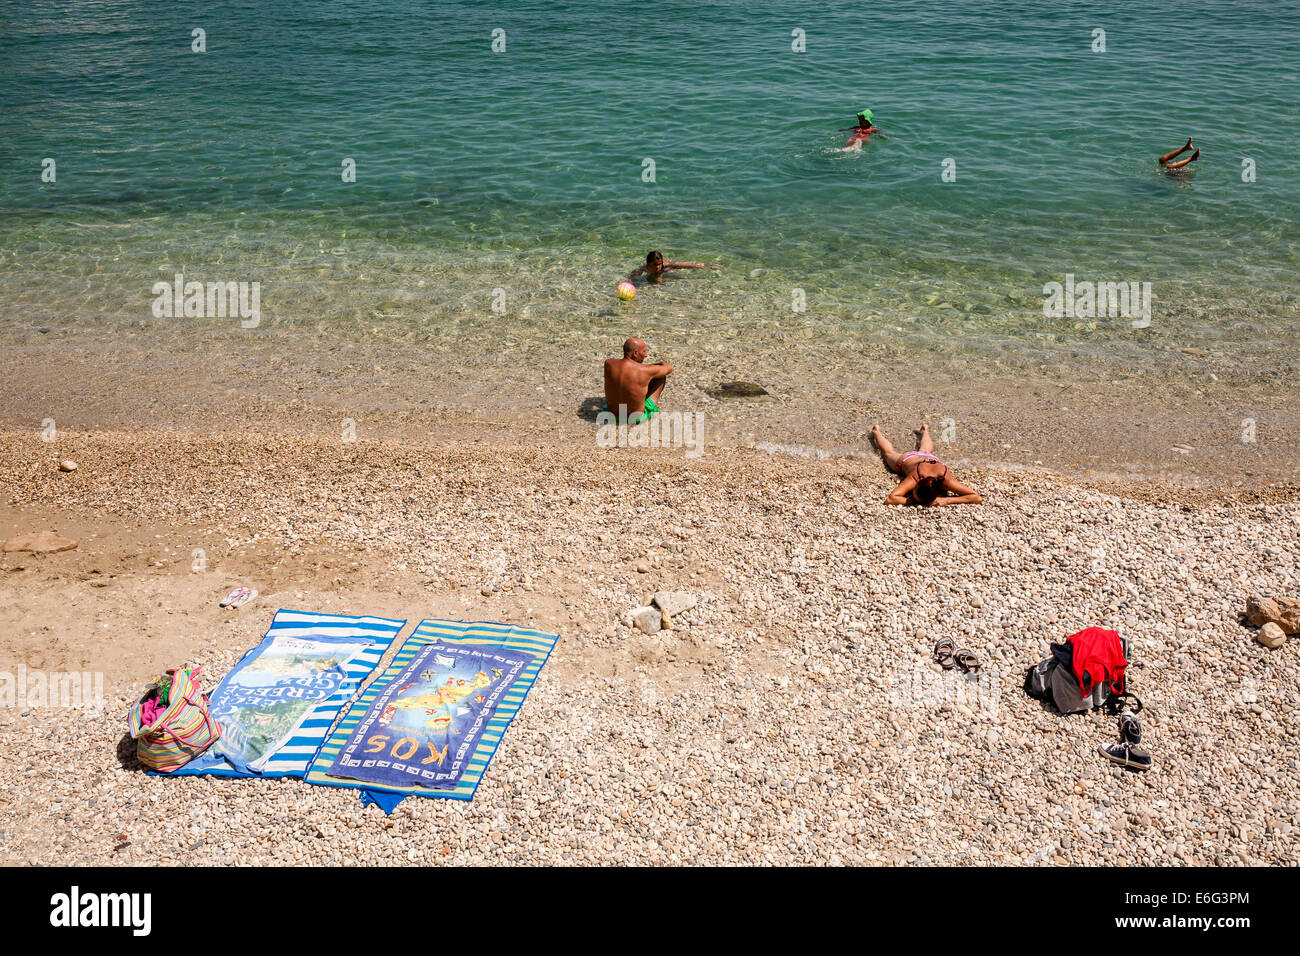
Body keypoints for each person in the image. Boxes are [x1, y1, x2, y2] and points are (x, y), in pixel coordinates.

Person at [870, 423, 982, 506]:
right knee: (889, 453)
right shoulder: (917, 477)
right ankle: (876, 432)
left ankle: (877, 431)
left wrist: (946, 500)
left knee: (894, 452)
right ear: (917, 484)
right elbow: (891, 499)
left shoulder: (945, 480)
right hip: (912, 459)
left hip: (922, 459)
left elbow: (976, 497)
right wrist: (915, 501)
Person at [603, 337, 672, 423]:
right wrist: (654, 365)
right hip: (635, 418)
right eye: (644, 351)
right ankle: (648, 406)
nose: (646, 355)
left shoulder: (608, 363)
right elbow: (669, 368)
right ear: (635, 353)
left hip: (611, 415)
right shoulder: (644, 370)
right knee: (661, 377)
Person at [628, 250, 722, 284]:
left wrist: (707, 265)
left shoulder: (665, 265)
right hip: (653, 273)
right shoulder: (643, 268)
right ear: (648, 264)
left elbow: (684, 265)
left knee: (672, 275)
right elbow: (632, 276)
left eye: (659, 264)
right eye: (655, 265)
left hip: (668, 270)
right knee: (654, 282)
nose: (658, 267)